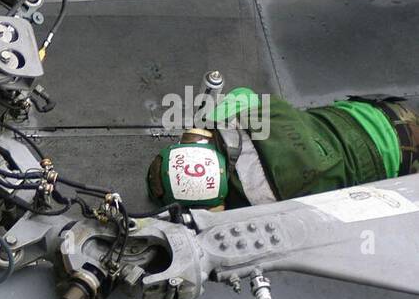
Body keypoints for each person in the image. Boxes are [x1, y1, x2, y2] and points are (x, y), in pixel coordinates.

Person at [147, 89, 418, 208]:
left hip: (402, 161)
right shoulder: (240, 114)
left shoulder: (260, 205)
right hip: (375, 109)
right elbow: (242, 93)